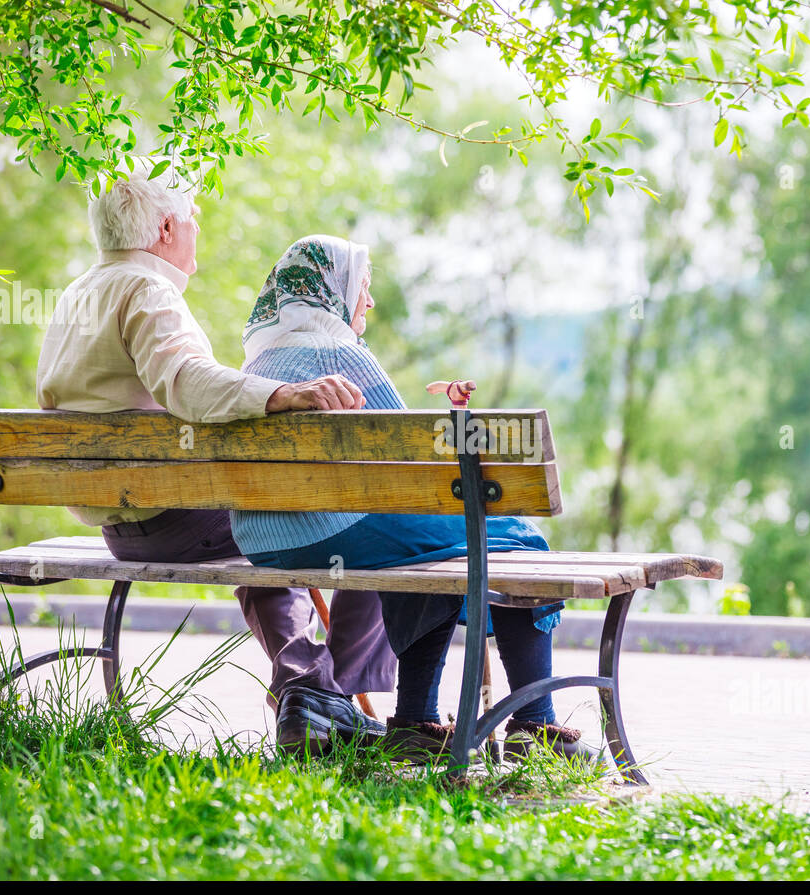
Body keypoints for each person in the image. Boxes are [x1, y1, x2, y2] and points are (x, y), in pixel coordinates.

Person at [34, 172, 396, 751]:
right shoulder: (146, 291)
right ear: (167, 227)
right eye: (193, 219)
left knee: (259, 522)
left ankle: (309, 686)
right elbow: (186, 382)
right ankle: (322, 693)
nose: (196, 230)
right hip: (173, 517)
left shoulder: (77, 294)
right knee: (353, 524)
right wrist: (283, 395)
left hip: (121, 530)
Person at [230, 234, 598, 764]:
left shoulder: (252, 368)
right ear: (334, 287)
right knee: (519, 539)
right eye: (364, 287)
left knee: (424, 552)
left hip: (264, 543)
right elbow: (416, 464)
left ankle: (417, 724)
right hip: (332, 529)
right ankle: (533, 723)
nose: (370, 302)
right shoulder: (337, 352)